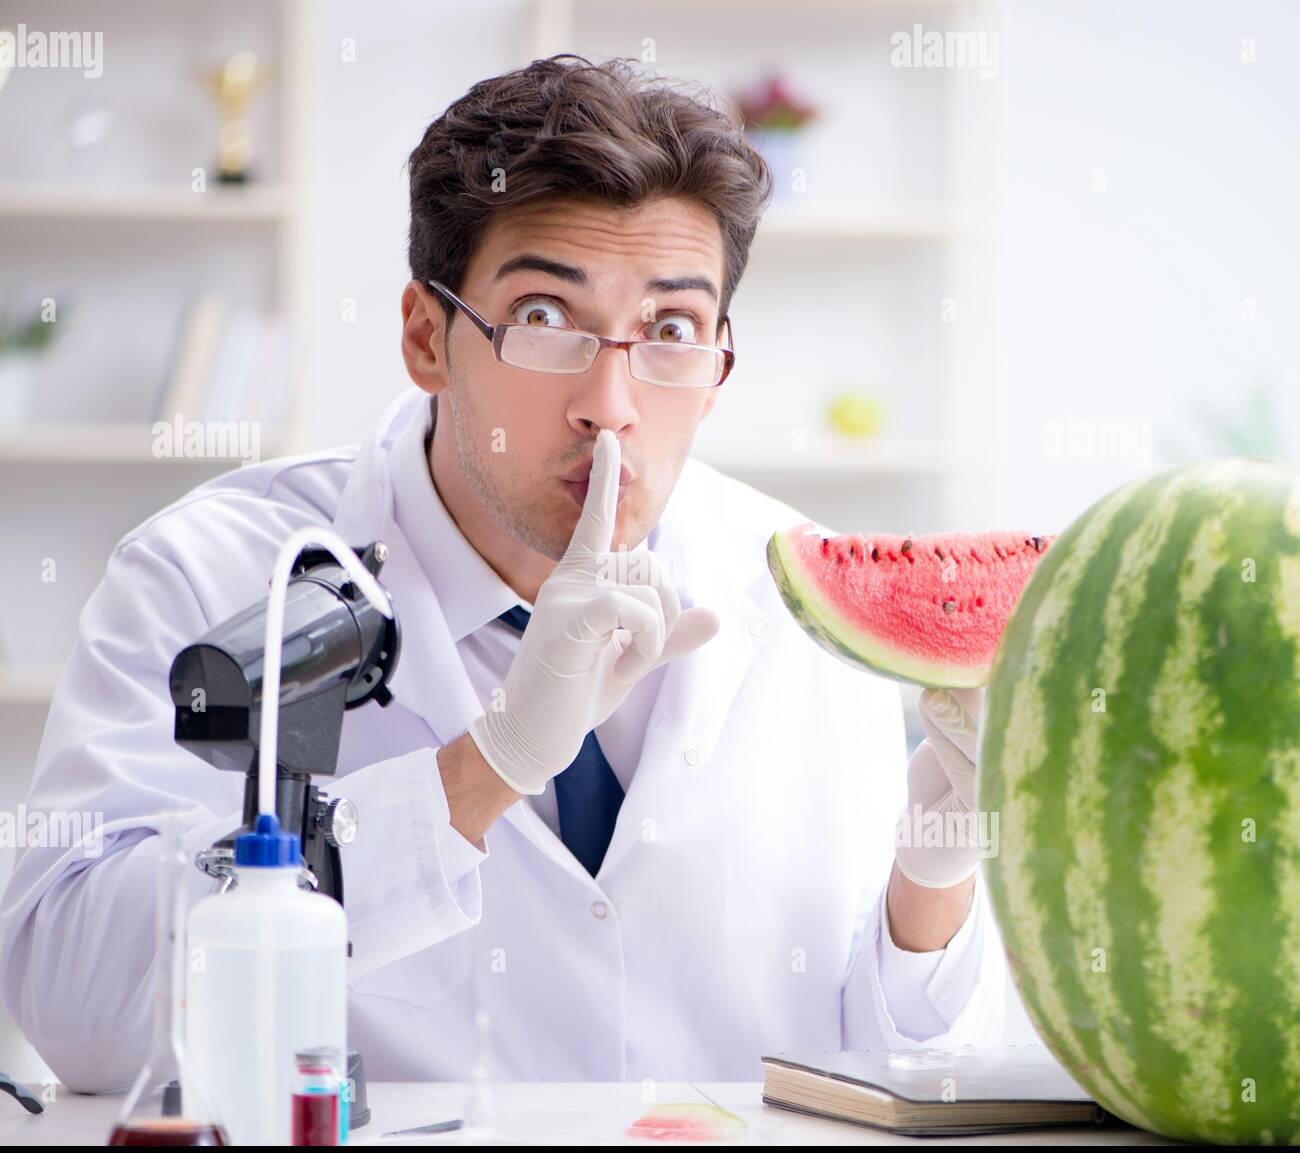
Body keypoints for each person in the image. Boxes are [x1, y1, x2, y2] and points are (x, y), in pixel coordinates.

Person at [0, 55, 1005, 1091]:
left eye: (669, 331)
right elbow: (76, 1002)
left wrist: (932, 876)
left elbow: (890, 1059)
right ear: (425, 336)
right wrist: (487, 767)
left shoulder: (800, 599)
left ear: (717, 372)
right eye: (542, 318)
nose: (609, 402)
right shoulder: (207, 573)